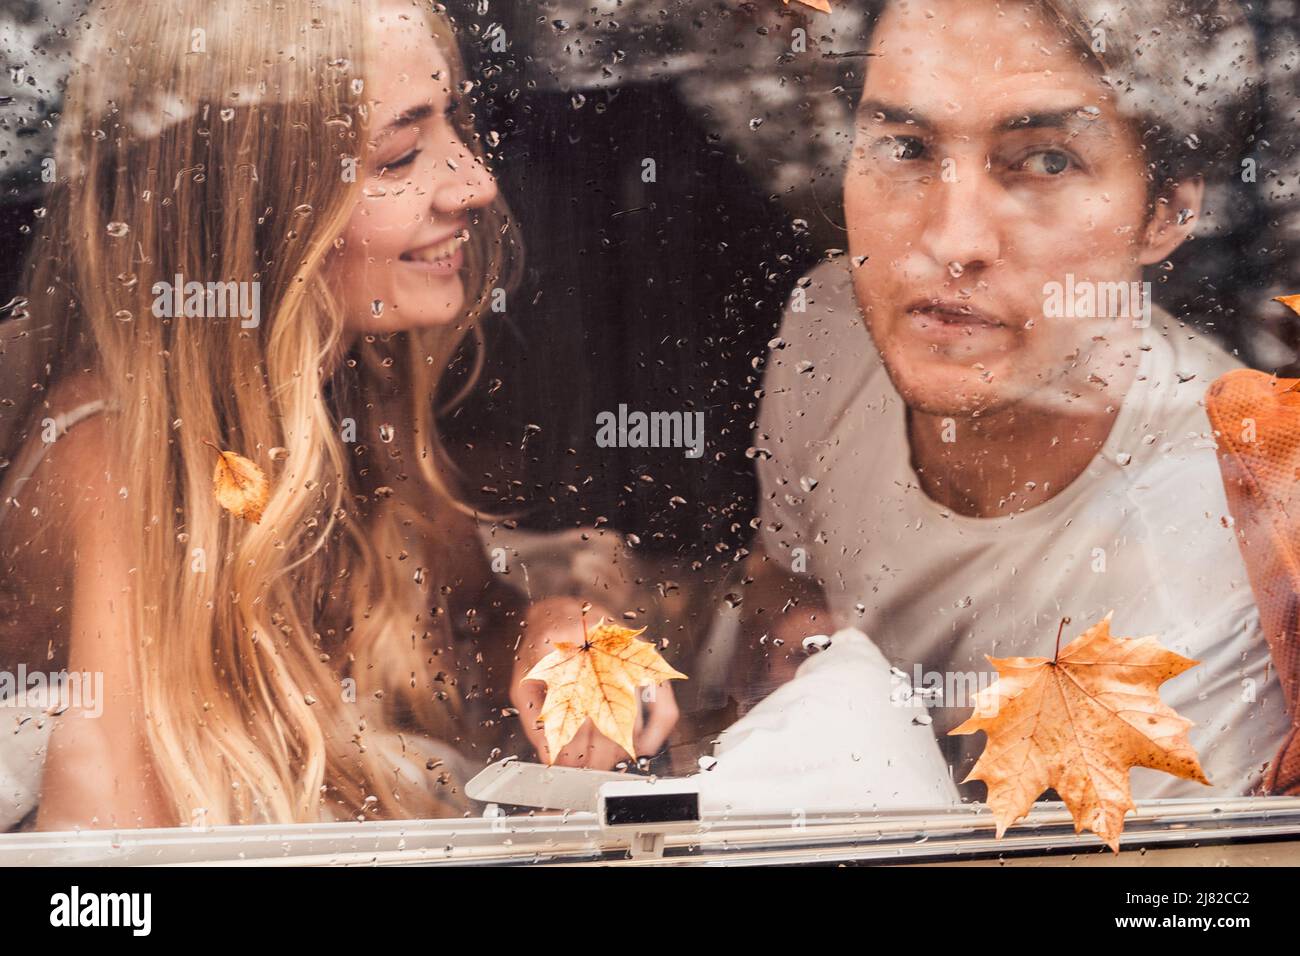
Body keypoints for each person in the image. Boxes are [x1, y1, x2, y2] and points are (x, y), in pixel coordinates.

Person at [748, 0, 1292, 801]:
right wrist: (799, 648)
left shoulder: (1222, 537)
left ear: (1168, 211)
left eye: (1046, 162)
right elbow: (786, 573)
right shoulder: (830, 327)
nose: (951, 240)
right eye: (905, 147)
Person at [0, 0, 522, 829]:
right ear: (256, 213)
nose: (474, 183)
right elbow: (110, 856)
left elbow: (473, 621)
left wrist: (557, 633)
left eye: (453, 120)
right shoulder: (119, 454)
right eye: (396, 155)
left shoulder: (349, 391)